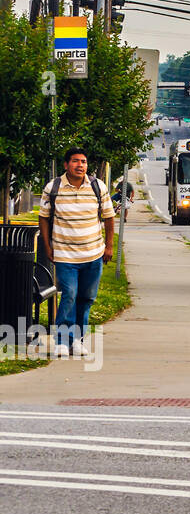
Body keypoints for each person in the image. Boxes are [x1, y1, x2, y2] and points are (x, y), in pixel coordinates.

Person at [38, 147, 116, 358]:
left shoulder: (97, 186)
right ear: (66, 165)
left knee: (86, 298)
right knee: (70, 294)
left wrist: (108, 247)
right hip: (65, 255)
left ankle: (78, 340)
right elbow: (43, 218)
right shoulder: (53, 187)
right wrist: (47, 247)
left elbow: (109, 217)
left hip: (93, 254)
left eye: (83, 161)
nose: (80, 165)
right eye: (75, 161)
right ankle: (62, 340)